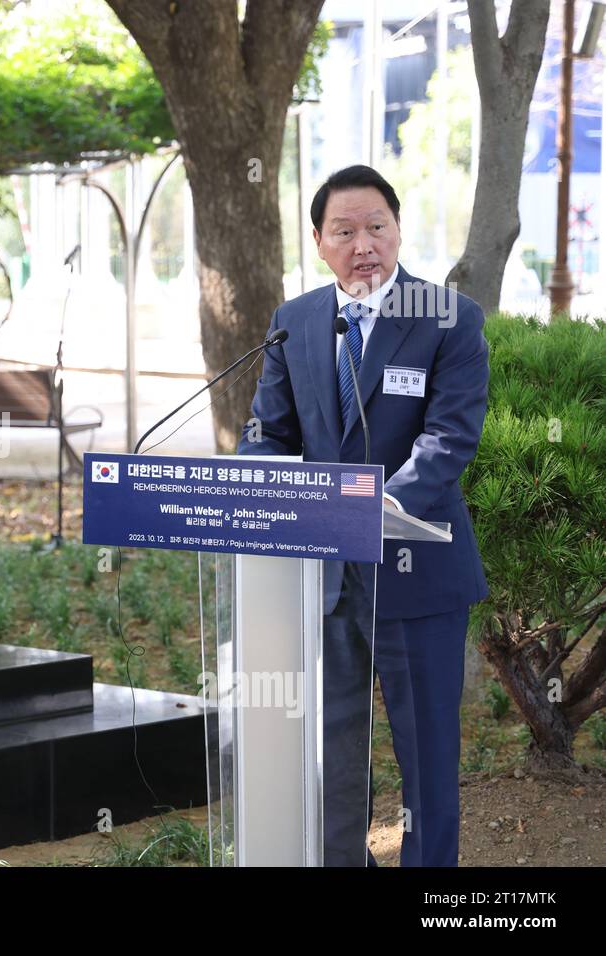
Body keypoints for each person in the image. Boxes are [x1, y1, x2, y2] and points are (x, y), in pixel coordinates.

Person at [238, 164, 489, 867]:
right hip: (321, 580)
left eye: (377, 226)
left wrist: (383, 506)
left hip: (418, 574)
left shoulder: (449, 318)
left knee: (428, 757)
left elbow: (448, 440)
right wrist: (255, 484)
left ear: (399, 229)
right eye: (345, 231)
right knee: (331, 747)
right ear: (320, 242)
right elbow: (270, 432)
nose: (364, 244)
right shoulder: (294, 323)